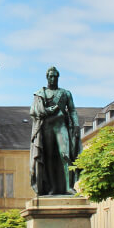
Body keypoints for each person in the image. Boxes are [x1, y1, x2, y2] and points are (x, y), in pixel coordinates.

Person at [30, 66, 81, 195]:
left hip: (60, 126)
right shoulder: (41, 94)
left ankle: (69, 187)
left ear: (58, 77)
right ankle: (51, 187)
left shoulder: (65, 93)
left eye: (55, 76)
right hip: (46, 127)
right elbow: (34, 111)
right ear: (47, 77)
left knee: (66, 155)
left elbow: (72, 110)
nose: (52, 79)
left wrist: (76, 125)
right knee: (48, 158)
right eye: (50, 76)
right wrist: (46, 111)